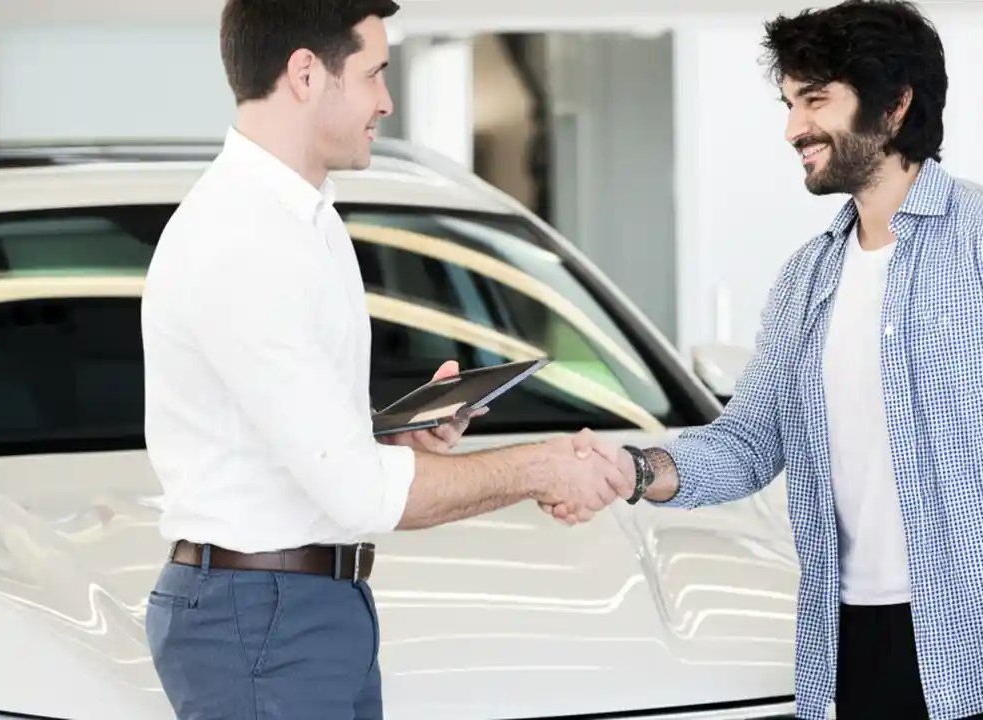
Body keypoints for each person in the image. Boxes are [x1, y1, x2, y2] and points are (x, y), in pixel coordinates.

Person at [550, 2, 983, 719]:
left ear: (895, 104)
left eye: (815, 100)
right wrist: (631, 470)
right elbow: (746, 445)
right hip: (844, 647)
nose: (793, 129)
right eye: (789, 103)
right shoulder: (804, 280)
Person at [139, 1, 629, 718]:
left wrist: (385, 436)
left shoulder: (304, 221)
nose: (386, 101)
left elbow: (295, 442)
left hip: (294, 607)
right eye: (374, 74)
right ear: (306, 73)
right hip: (265, 618)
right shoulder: (242, 240)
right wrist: (541, 468)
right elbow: (358, 493)